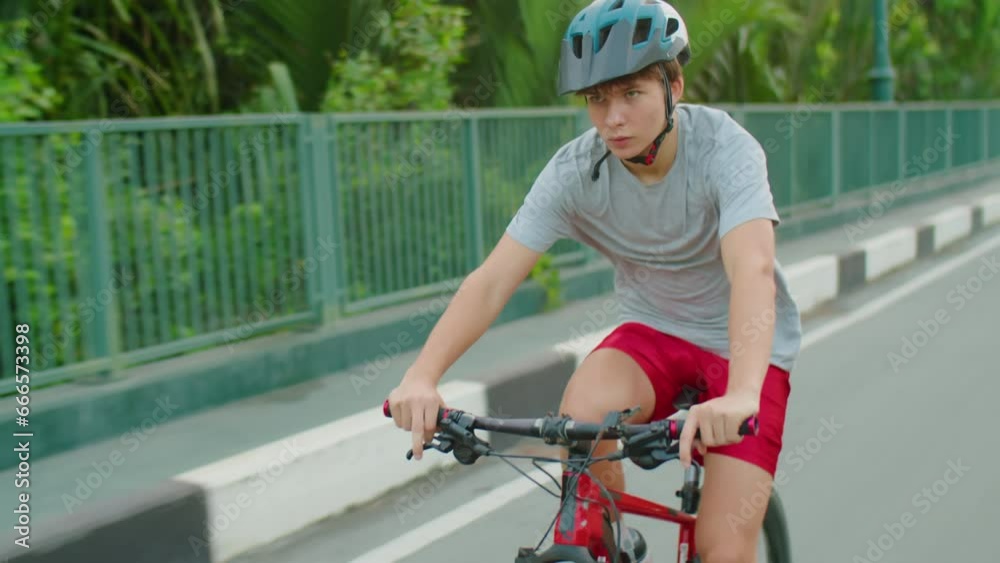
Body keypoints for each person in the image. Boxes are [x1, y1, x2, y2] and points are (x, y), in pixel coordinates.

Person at [387, 0, 802, 561]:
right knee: (580, 417)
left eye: (632, 93)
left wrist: (744, 394)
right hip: (652, 334)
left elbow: (751, 270)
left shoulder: (725, 149)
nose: (613, 119)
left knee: (723, 550)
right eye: (597, 99)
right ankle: (606, 538)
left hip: (744, 348)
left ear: (673, 85)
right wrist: (422, 376)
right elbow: (492, 280)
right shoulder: (575, 172)